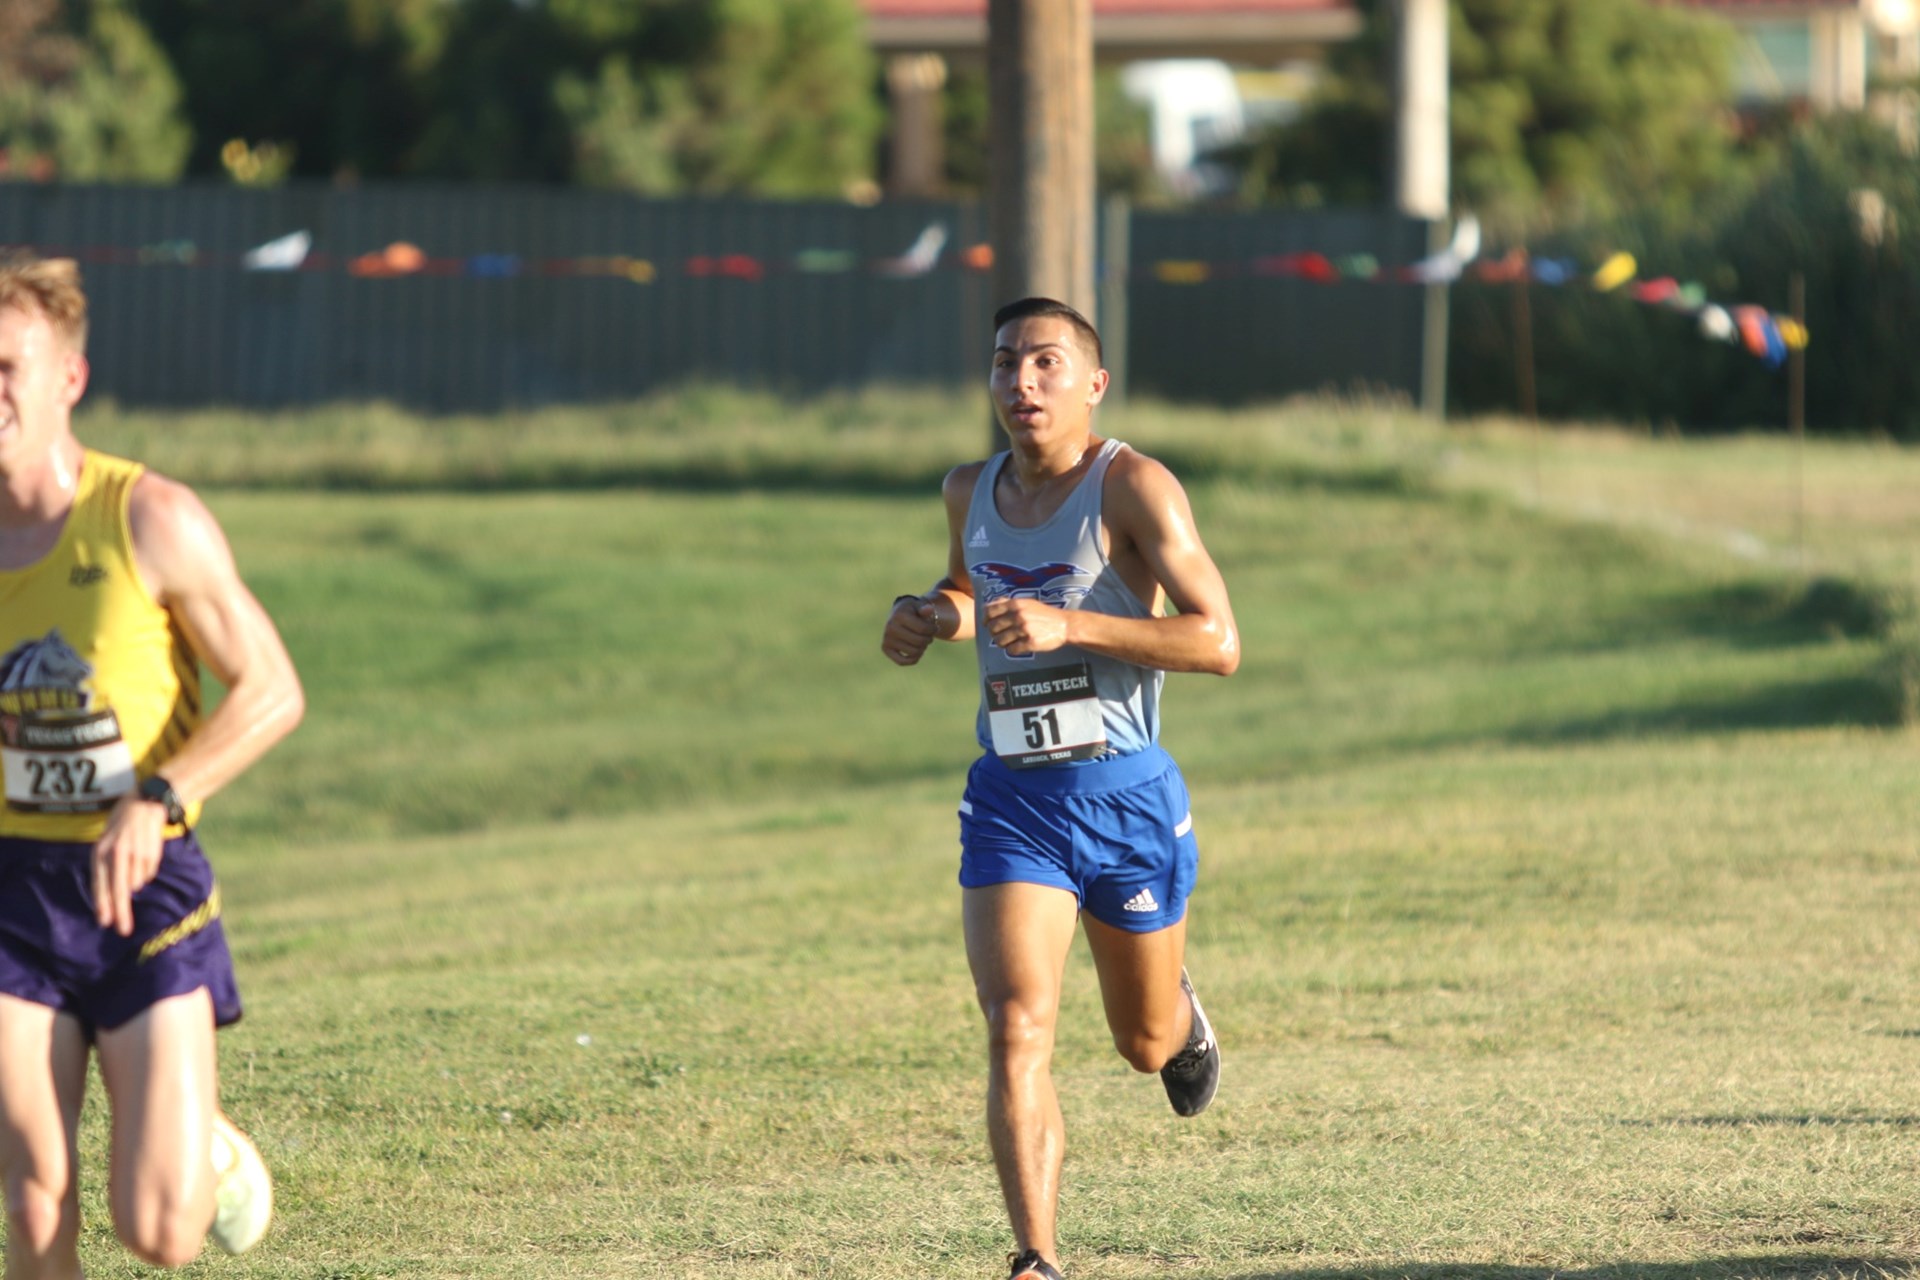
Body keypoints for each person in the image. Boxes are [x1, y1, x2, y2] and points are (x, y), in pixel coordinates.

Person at [882, 297, 1240, 1280]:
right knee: (1017, 1025)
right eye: (1005, 365)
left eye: (1045, 364)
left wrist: (1073, 625)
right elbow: (970, 590)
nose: (1022, 383)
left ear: (1092, 383)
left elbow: (1218, 640)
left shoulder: (1137, 487)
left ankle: (1177, 1005)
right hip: (1013, 798)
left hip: (1125, 795)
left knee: (1142, 1040)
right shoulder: (970, 488)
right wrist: (929, 614)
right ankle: (1036, 1257)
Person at [0, 254, 305, 1274]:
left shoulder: (150, 518)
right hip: (12, 893)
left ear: (67, 381)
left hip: (144, 886)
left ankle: (206, 1149)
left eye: (8, 364)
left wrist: (161, 793)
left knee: (160, 1231)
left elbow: (270, 688)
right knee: (36, 1204)